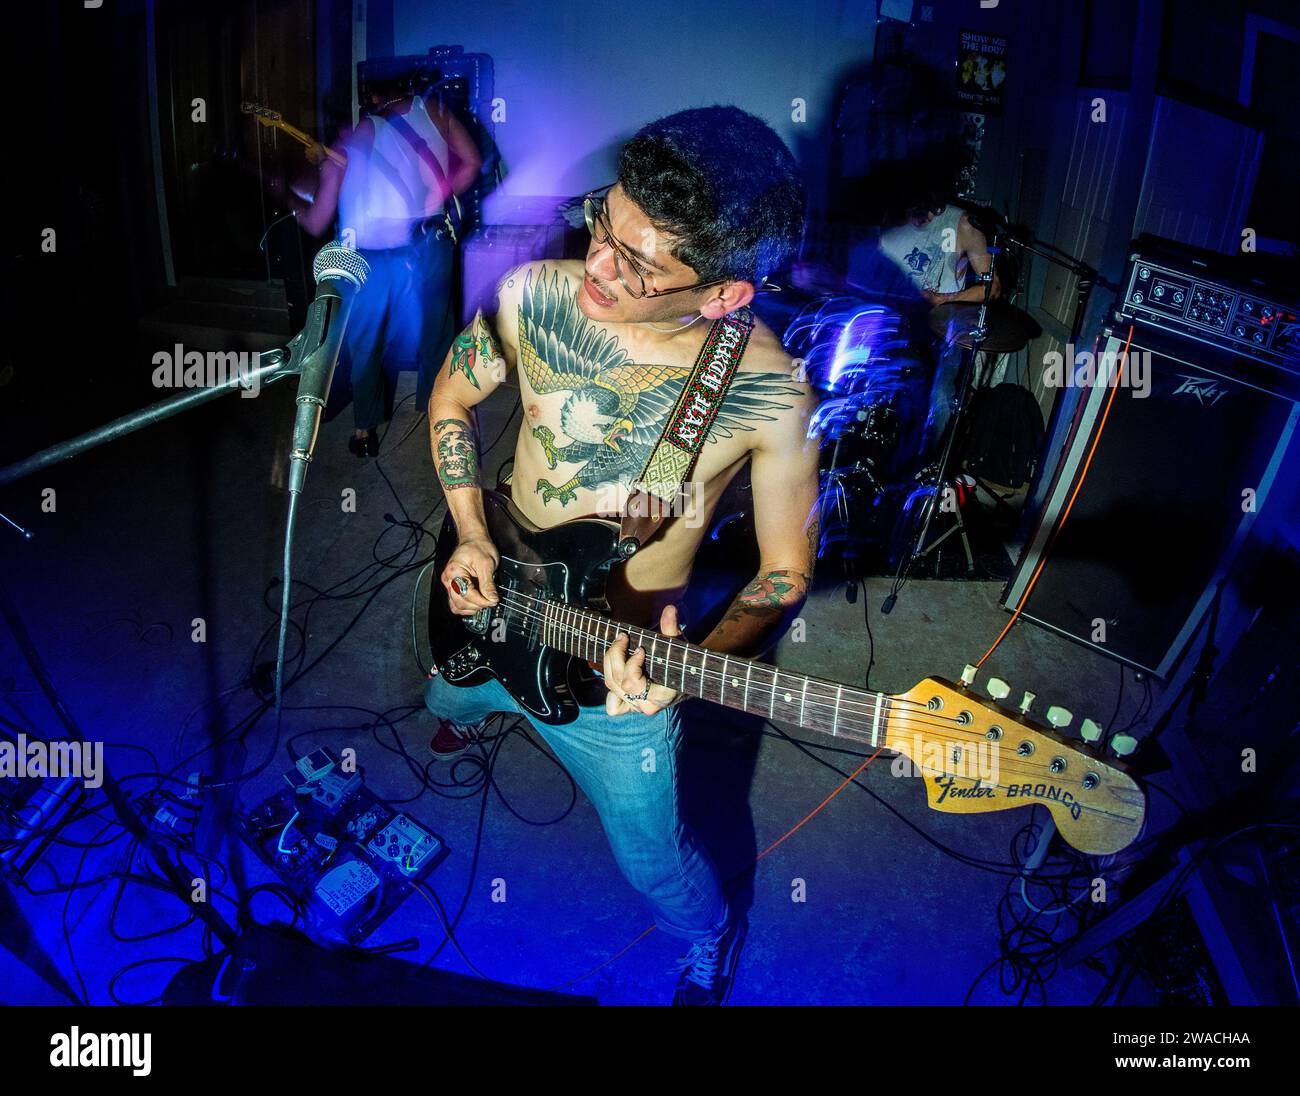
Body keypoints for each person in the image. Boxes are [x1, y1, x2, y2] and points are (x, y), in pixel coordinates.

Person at [424, 106, 818, 1005]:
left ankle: (706, 943)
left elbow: (784, 571)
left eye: (637, 266)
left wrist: (694, 668)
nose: (595, 264)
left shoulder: (770, 393)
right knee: (443, 686)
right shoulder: (529, 295)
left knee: (656, 864)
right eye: (603, 220)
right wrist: (473, 531)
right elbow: (451, 398)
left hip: (617, 675)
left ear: (723, 294)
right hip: (489, 593)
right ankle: (471, 703)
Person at [292, 75, 481, 456]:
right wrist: (439, 195)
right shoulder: (436, 111)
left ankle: (364, 431)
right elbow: (472, 162)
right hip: (432, 240)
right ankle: (437, 416)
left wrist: (320, 163)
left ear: (376, 95)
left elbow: (333, 190)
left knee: (367, 337)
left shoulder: (367, 127)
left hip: (379, 250)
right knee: (436, 335)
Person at [873, 189, 1001, 451]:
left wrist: (942, 298)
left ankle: (927, 462)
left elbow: (993, 287)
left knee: (941, 396)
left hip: (945, 328)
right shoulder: (889, 221)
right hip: (897, 327)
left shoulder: (962, 224)